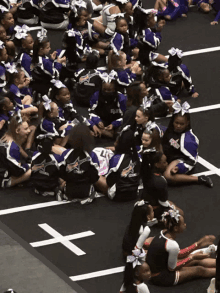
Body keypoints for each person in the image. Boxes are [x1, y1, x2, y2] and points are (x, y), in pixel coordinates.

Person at [147, 209, 216, 286]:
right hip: (160, 276)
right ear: (176, 228)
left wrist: (198, 244)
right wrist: (192, 257)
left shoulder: (163, 232)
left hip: (162, 266)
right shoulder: (172, 244)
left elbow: (179, 254)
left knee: (195, 259)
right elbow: (172, 268)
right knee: (199, 270)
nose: (185, 225)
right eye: (183, 224)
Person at [162, 101, 213, 187]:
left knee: (167, 176)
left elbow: (192, 160)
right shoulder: (170, 130)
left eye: (182, 124)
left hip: (181, 159)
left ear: (187, 123)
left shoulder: (188, 140)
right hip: (170, 155)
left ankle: (199, 179)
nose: (178, 126)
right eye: (176, 123)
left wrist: (179, 167)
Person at [59, 123, 108, 204]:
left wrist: (71, 177)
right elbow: (95, 177)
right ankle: (89, 195)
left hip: (69, 190)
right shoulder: (92, 155)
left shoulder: (65, 153)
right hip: (85, 191)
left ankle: (64, 193)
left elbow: (61, 173)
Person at [141, 151, 183, 220]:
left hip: (145, 203)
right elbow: (163, 202)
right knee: (181, 214)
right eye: (164, 162)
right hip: (154, 210)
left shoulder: (146, 171)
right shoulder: (160, 181)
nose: (167, 164)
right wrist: (171, 206)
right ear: (157, 164)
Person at [106, 126, 141, 201]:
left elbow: (109, 180)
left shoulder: (116, 158)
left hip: (117, 195)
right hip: (134, 194)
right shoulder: (138, 157)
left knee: (99, 177)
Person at [89, 72, 127, 138]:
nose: (106, 92)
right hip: (102, 121)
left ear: (114, 89)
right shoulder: (96, 95)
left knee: (124, 130)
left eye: (109, 90)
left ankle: (102, 133)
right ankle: (102, 132)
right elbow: (91, 112)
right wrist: (98, 121)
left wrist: (114, 124)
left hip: (116, 121)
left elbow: (125, 116)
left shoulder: (121, 98)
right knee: (87, 122)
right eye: (104, 89)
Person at [31, 28, 66, 98]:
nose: (50, 49)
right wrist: (59, 62)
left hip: (37, 82)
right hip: (46, 84)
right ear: (41, 49)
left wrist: (51, 60)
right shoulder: (45, 62)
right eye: (48, 47)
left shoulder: (34, 56)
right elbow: (55, 75)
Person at [31, 135, 66, 200]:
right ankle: (59, 189)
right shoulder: (57, 157)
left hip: (37, 185)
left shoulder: (35, 154)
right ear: (51, 146)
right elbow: (62, 172)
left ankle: (40, 190)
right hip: (51, 185)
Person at [0, 114, 31, 188]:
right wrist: (30, 165)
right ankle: (8, 182)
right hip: (2, 178)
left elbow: (19, 149)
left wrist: (28, 158)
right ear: (17, 131)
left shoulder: (6, 137)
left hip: (5, 169)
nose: (29, 130)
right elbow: (19, 171)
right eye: (26, 129)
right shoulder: (11, 147)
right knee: (35, 169)